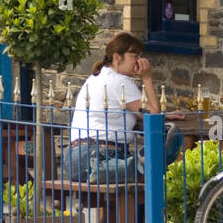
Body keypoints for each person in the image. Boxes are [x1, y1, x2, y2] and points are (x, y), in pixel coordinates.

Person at [62, 32, 161, 183]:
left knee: (144, 169)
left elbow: (143, 110)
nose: (139, 61)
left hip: (74, 160)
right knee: (155, 170)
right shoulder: (120, 81)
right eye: (135, 56)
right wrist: (147, 78)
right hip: (100, 158)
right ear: (117, 58)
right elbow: (153, 114)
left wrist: (166, 114)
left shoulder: (96, 77)